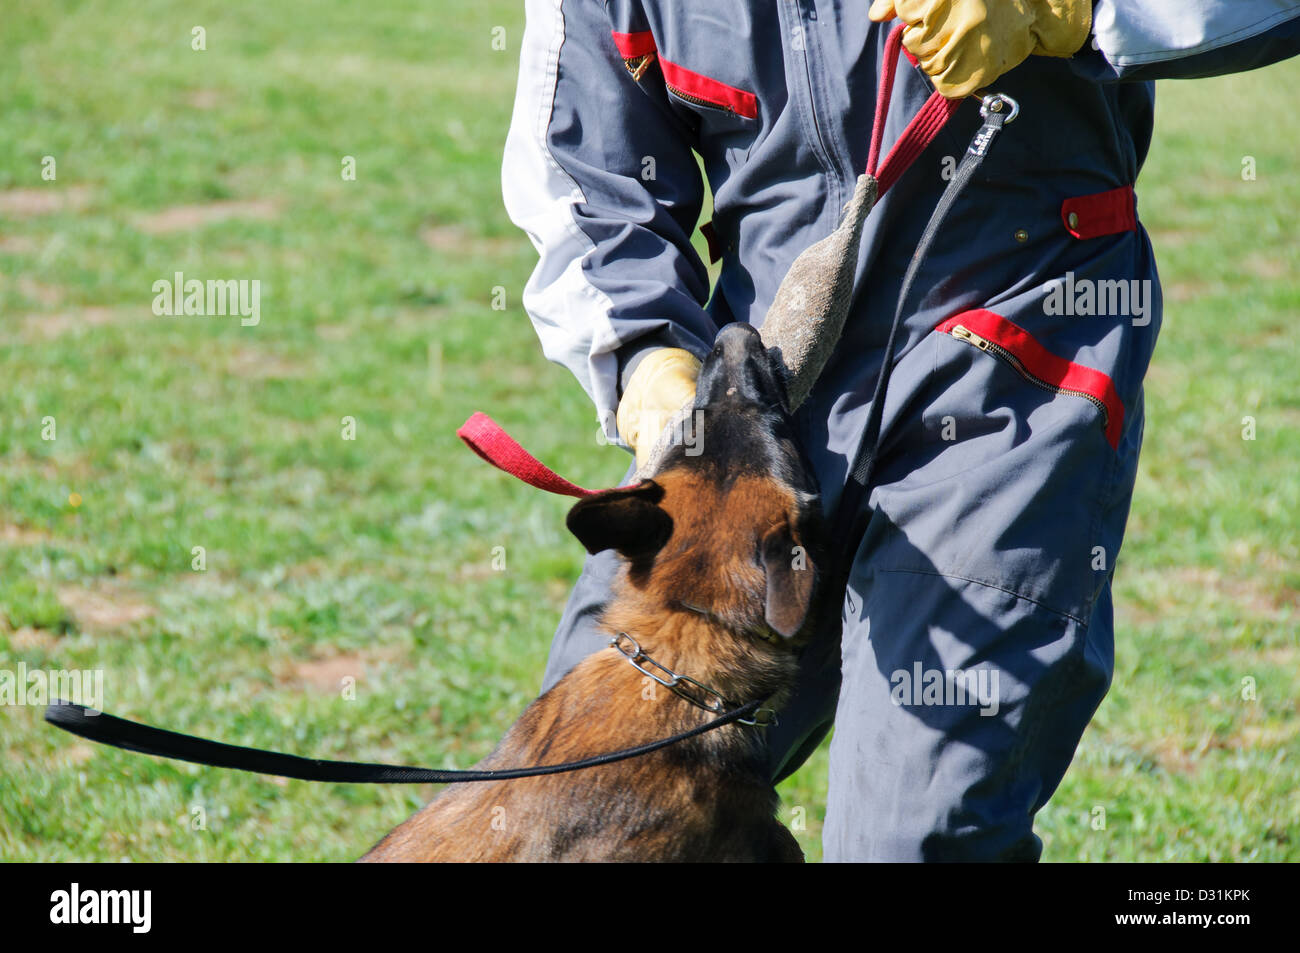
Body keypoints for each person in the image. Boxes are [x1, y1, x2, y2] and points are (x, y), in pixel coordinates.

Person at [500, 1, 1300, 861]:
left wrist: (1069, 8)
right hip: (763, 388)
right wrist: (649, 357)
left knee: (910, 840)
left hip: (1012, 366)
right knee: (589, 797)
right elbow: (590, 172)